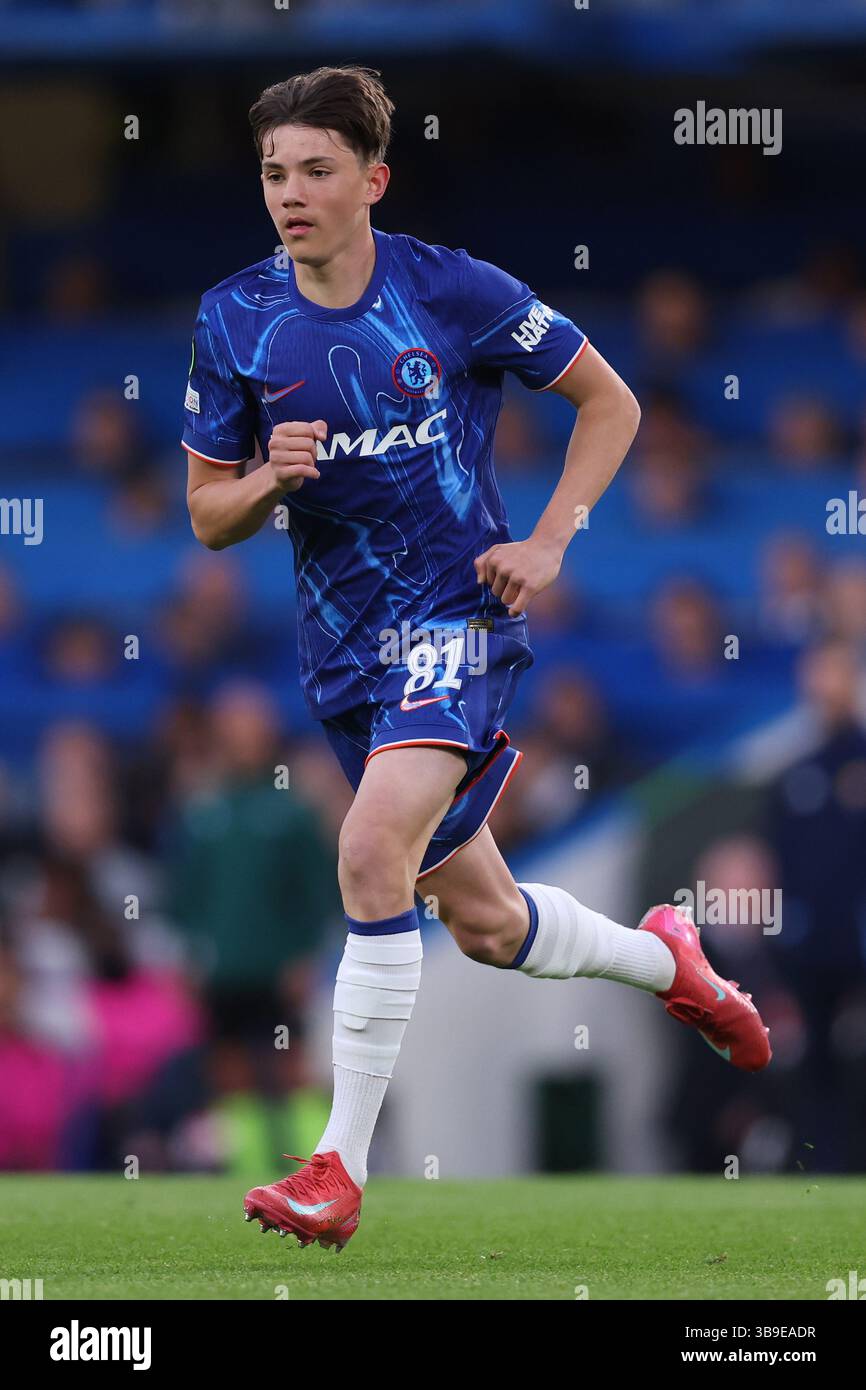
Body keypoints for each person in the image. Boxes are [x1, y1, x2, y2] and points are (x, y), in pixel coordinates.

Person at [181, 64, 771, 1252]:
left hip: (456, 624)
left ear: (372, 180)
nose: (289, 194)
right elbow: (206, 514)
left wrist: (550, 538)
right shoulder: (233, 317)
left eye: (315, 171)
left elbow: (609, 402)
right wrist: (266, 477)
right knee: (490, 926)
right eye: (272, 173)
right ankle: (668, 961)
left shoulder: (449, 290)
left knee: (365, 853)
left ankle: (337, 1167)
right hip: (342, 658)